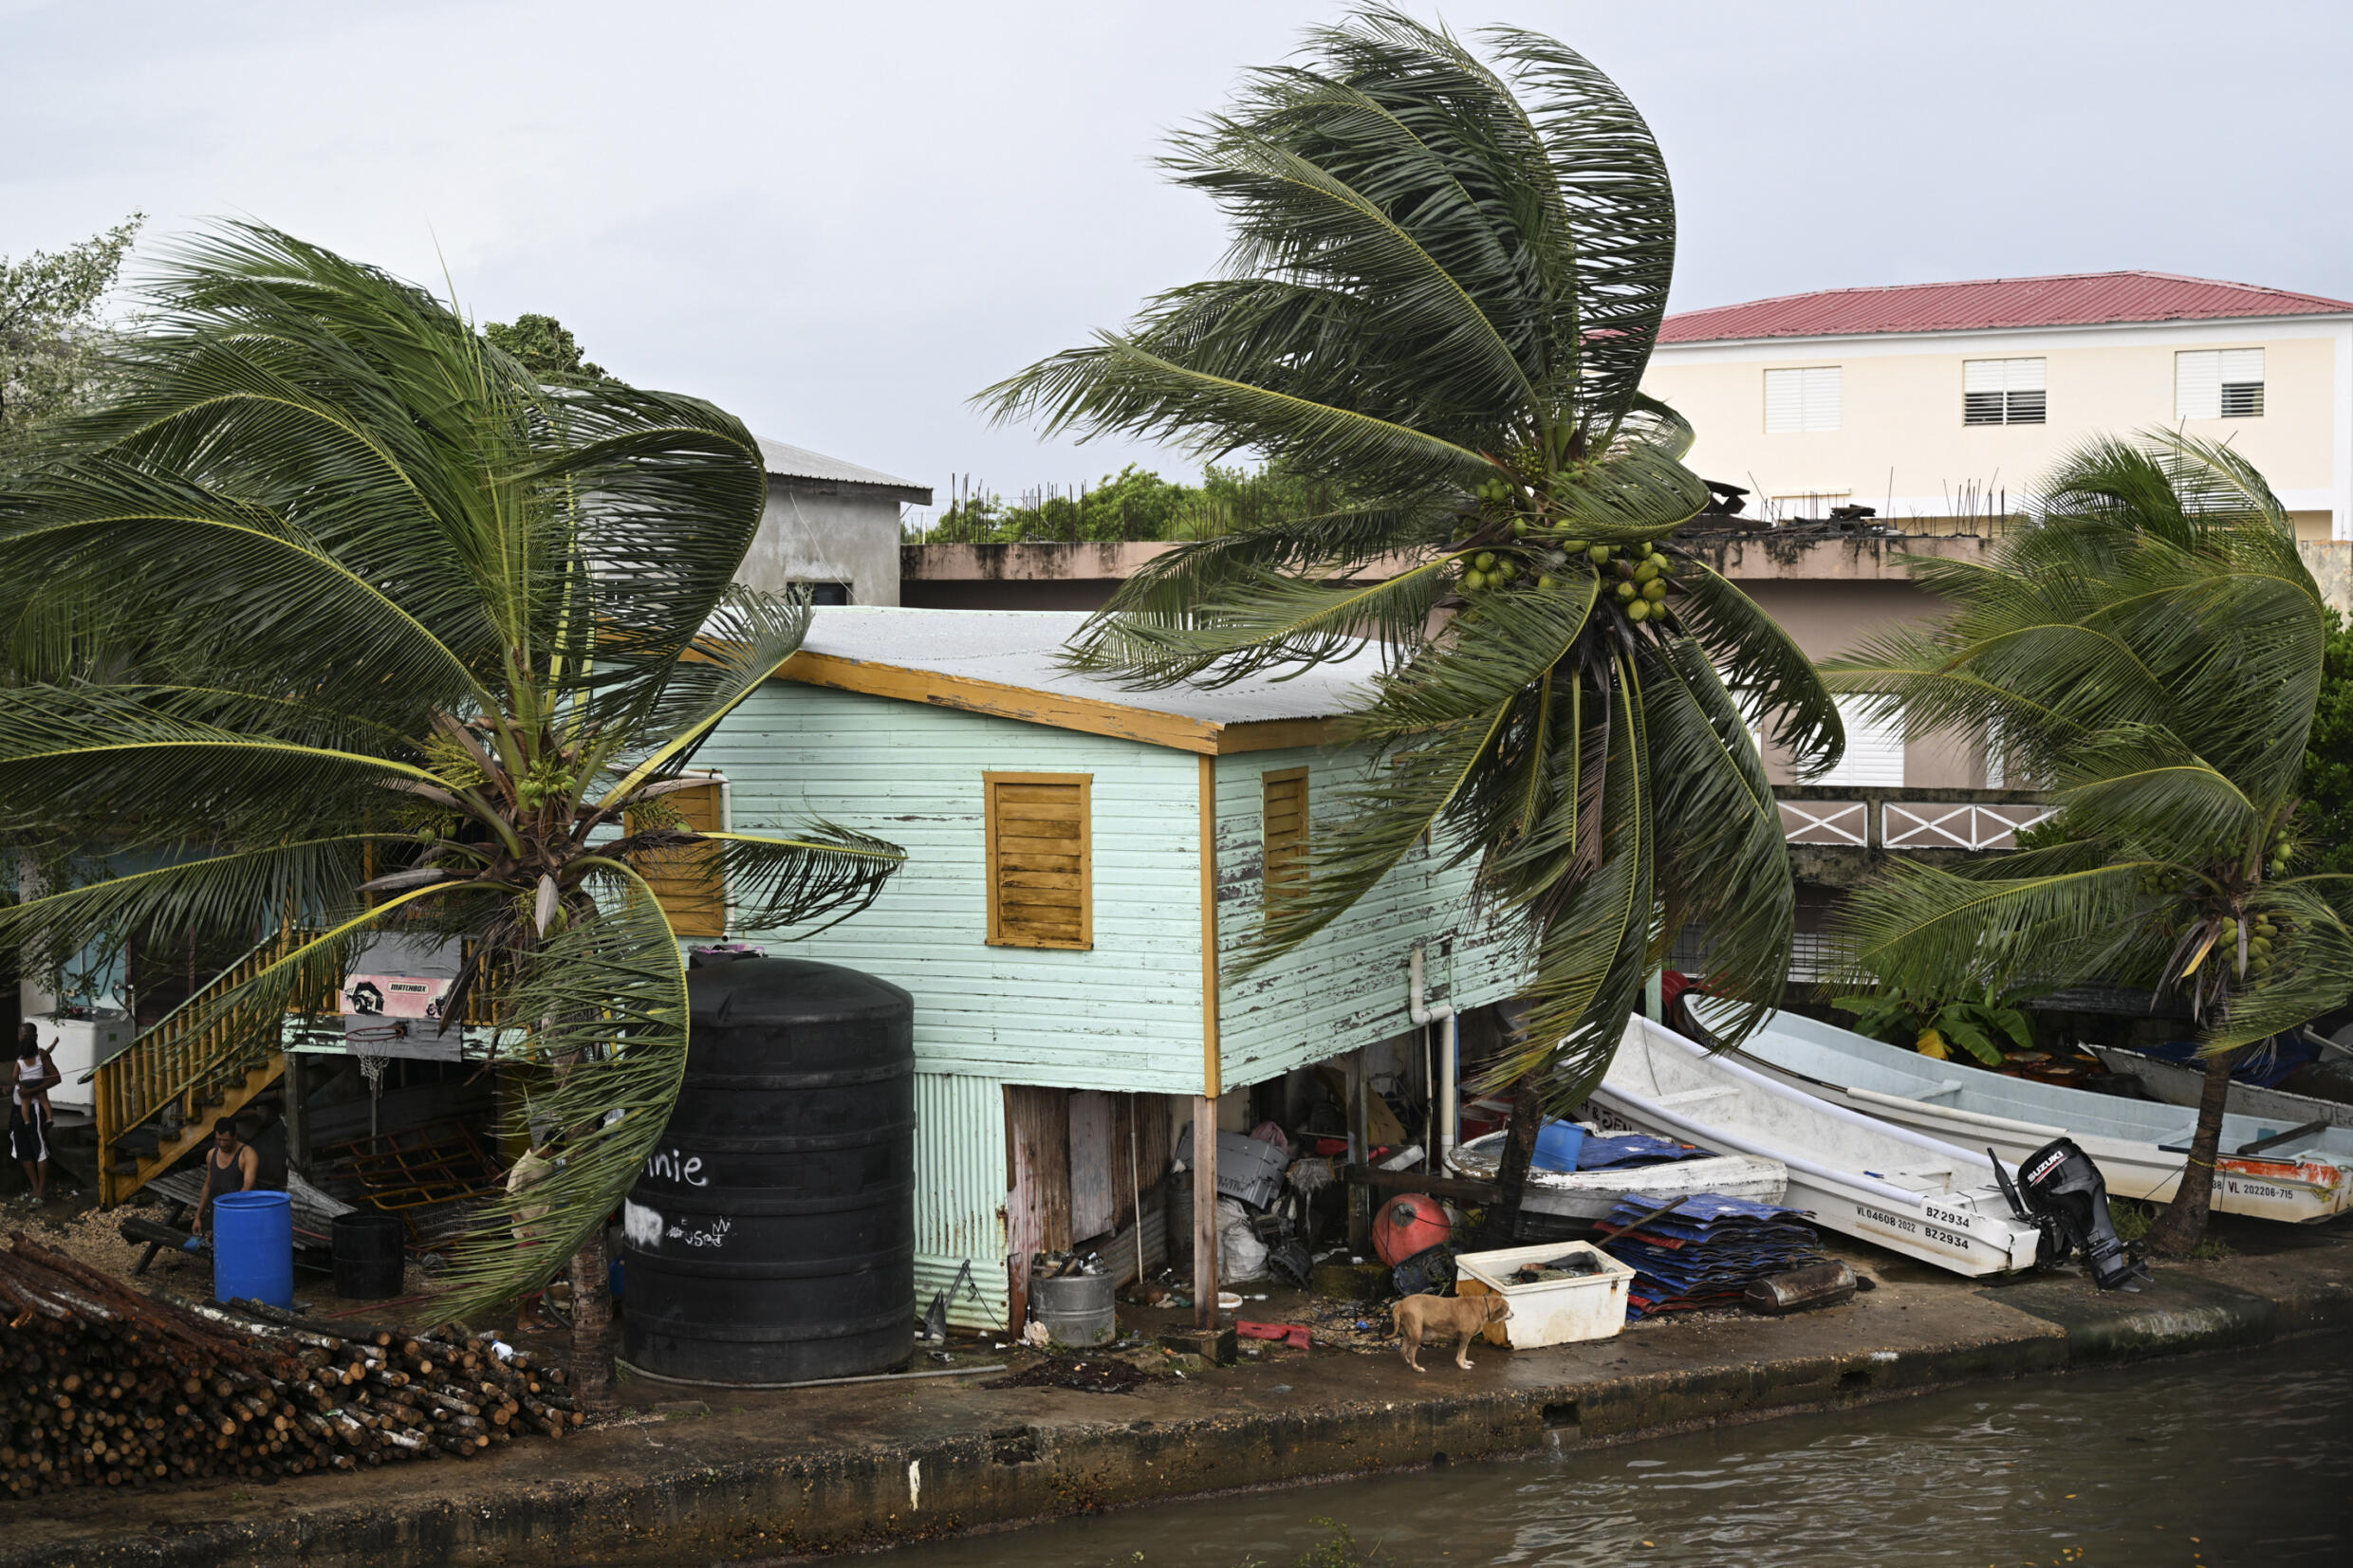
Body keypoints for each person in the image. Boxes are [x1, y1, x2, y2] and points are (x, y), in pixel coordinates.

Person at [10, 1024, 60, 1206]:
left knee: (39, 1149)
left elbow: (56, 1078)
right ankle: (34, 1187)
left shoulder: (41, 1055)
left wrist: (33, 1090)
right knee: (22, 1148)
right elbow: (17, 1080)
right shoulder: (20, 1056)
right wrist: (13, 1088)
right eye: (23, 1035)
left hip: (35, 1108)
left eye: (29, 1035)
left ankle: (41, 1191)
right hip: (18, 1108)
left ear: (36, 1036)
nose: (25, 1038)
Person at [195, 1116, 258, 1236]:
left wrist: (227, 1220)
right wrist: (198, 1216)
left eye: (226, 1140)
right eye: (219, 1140)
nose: (222, 1144)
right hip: (215, 1213)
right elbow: (208, 1185)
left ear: (235, 1136)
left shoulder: (248, 1155)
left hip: (238, 1215)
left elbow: (247, 1187)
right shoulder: (211, 1154)